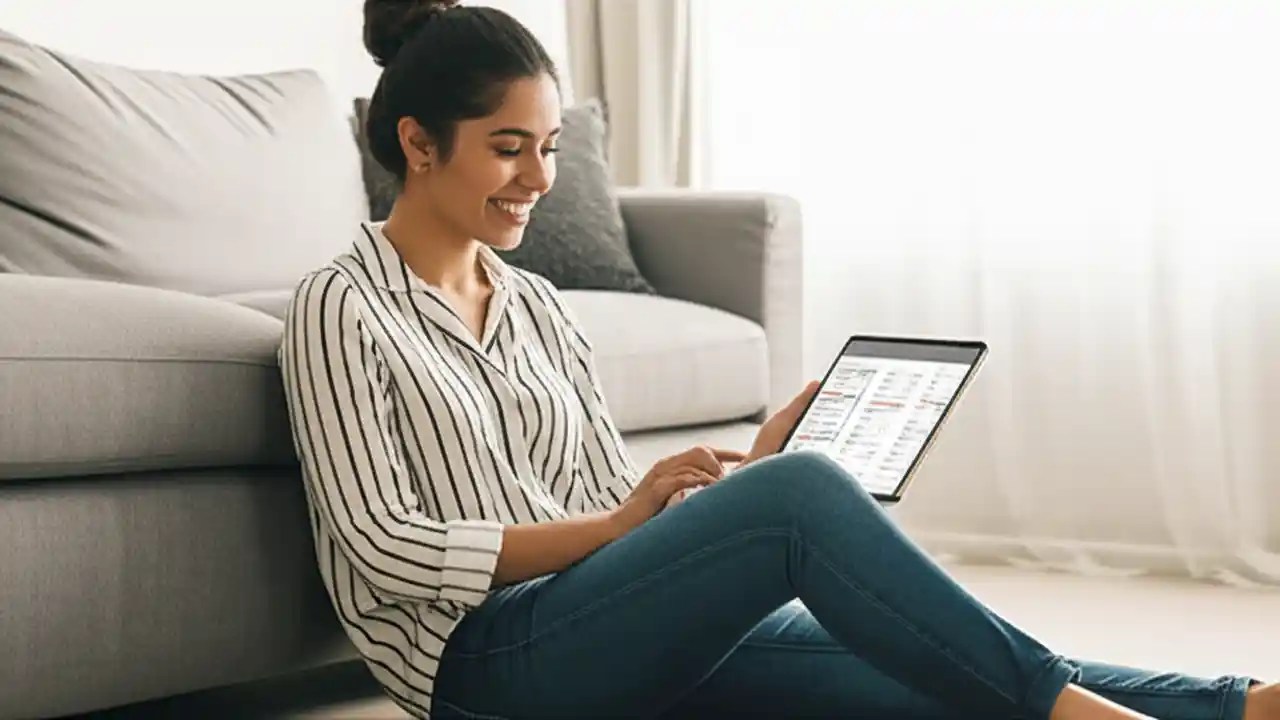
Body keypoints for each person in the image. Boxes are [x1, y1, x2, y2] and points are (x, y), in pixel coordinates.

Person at [277, 1, 1278, 718]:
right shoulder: (340, 306)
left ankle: (1238, 707)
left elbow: (589, 500)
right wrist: (644, 522)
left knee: (933, 662)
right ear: (415, 142)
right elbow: (383, 544)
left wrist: (730, 489)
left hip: (602, 623)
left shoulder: (536, 305)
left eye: (548, 147)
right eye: (508, 147)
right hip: (486, 666)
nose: (540, 177)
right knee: (803, 499)